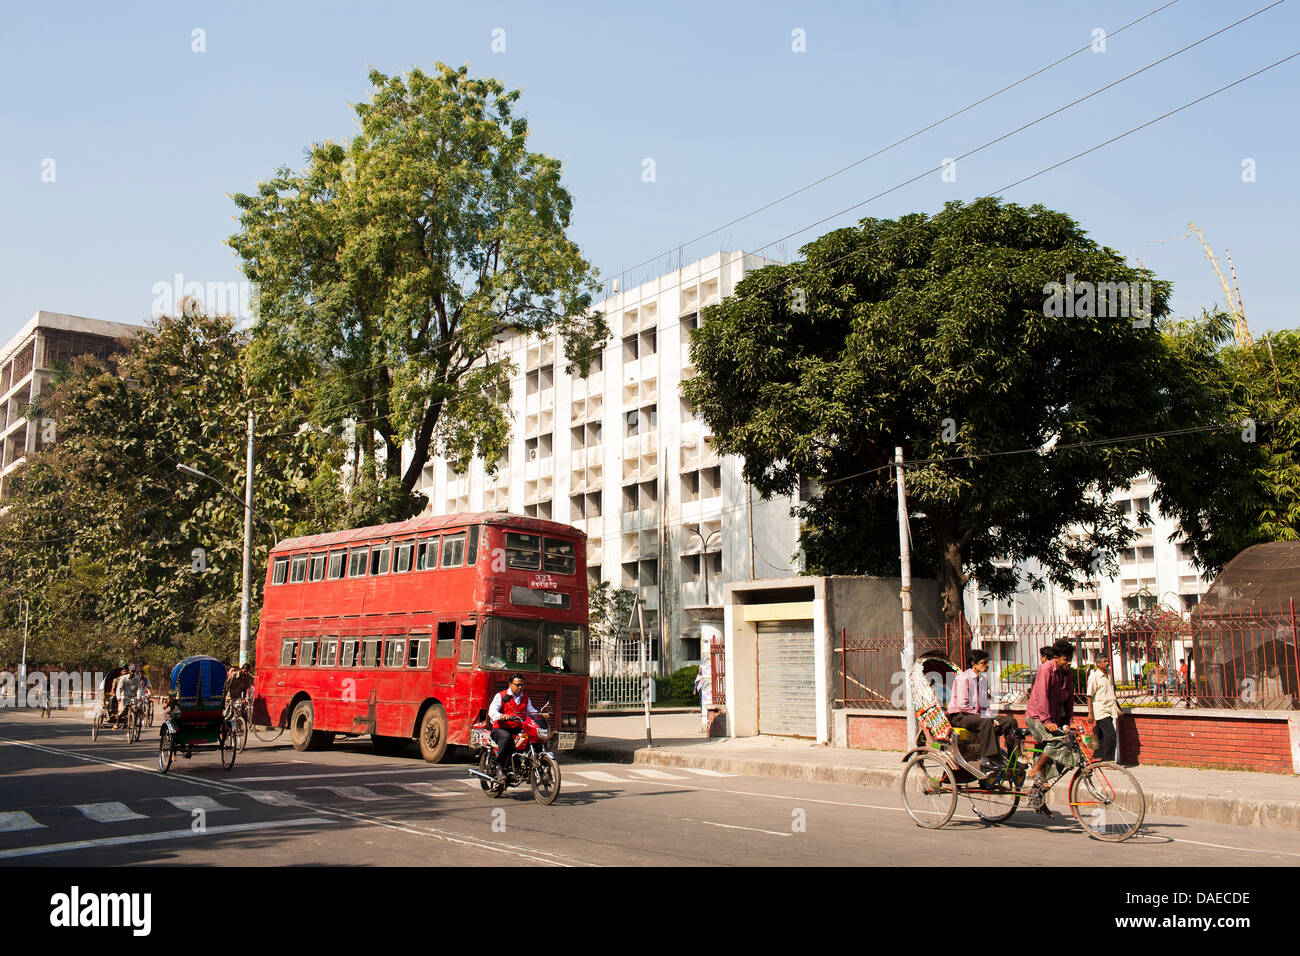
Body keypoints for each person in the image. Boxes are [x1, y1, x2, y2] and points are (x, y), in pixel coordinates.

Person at [1023, 640, 1079, 808]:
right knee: (1056, 742)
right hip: (1037, 717)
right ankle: (1036, 769)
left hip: (1055, 719)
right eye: (1065, 659)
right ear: (1056, 658)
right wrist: (1047, 721)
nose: (1069, 663)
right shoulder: (1046, 669)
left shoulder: (1067, 673)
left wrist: (1069, 722)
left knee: (1069, 749)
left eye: (1070, 659)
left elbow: (1069, 699)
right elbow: (1042, 696)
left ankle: (1037, 791)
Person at [947, 650, 1017, 773]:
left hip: (976, 715)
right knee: (986, 722)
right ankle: (987, 760)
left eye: (987, 662)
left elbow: (985, 705)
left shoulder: (983, 680)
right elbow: (963, 705)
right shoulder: (964, 678)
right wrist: (988, 718)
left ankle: (1013, 759)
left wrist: (990, 717)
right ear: (974, 664)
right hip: (960, 715)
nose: (987, 665)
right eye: (984, 663)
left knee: (1010, 721)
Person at [487, 674, 540, 781]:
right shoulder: (501, 696)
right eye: (517, 685)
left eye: (522, 685)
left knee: (533, 738)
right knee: (506, 737)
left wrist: (541, 715)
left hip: (518, 728)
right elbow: (492, 711)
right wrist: (501, 716)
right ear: (510, 684)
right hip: (501, 728)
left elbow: (532, 710)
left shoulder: (525, 698)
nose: (519, 687)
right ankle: (500, 767)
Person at [1086, 654, 1122, 761]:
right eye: (1104, 661)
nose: (1107, 663)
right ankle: (1107, 759)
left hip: (1110, 708)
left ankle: (1096, 757)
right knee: (1110, 734)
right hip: (1100, 710)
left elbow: (1112, 692)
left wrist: (1118, 707)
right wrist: (1090, 713)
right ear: (1098, 664)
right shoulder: (1094, 676)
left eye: (1107, 661)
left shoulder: (1109, 675)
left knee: (1100, 735)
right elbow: (1089, 695)